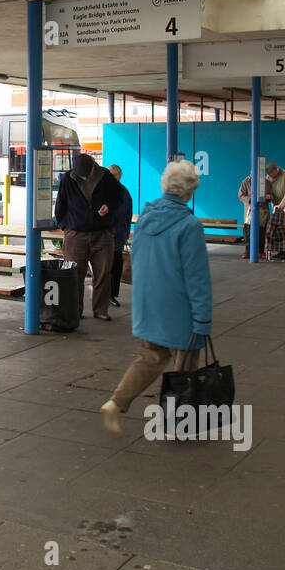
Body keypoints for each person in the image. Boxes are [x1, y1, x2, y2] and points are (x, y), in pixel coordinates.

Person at [100, 160, 211, 436]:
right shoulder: (189, 226)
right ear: (190, 191)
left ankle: (116, 403)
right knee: (185, 366)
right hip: (179, 308)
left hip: (148, 304)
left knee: (150, 357)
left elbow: (137, 260)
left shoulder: (146, 218)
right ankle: (180, 423)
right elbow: (197, 278)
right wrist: (203, 318)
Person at [54, 152, 122, 320]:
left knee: (103, 273)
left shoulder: (106, 176)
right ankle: (75, 310)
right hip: (76, 234)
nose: (85, 178)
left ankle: (100, 310)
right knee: (75, 274)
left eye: (88, 174)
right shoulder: (68, 179)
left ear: (94, 166)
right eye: (81, 176)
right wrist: (66, 227)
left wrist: (109, 207)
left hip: (102, 233)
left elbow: (119, 197)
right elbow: (60, 205)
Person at [106, 164, 134, 307]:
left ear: (119, 176)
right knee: (106, 267)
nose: (112, 177)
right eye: (110, 174)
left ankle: (111, 294)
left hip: (117, 236)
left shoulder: (124, 193)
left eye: (115, 175)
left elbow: (126, 215)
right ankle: (106, 294)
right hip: (106, 236)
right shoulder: (104, 190)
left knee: (115, 266)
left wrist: (125, 234)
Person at [264, 162, 285, 262]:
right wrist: (269, 196)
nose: (269, 176)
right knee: (275, 230)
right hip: (276, 208)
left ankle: (284, 251)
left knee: (284, 229)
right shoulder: (268, 178)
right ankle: (279, 250)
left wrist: (283, 204)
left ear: (276, 170)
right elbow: (268, 190)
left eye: (270, 174)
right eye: (268, 174)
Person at [237, 173, 271, 259]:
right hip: (250, 210)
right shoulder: (246, 182)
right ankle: (247, 251)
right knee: (248, 230)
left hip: (263, 209)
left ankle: (261, 251)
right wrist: (249, 199)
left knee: (262, 231)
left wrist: (269, 197)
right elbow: (240, 195)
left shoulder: (267, 182)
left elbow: (272, 195)